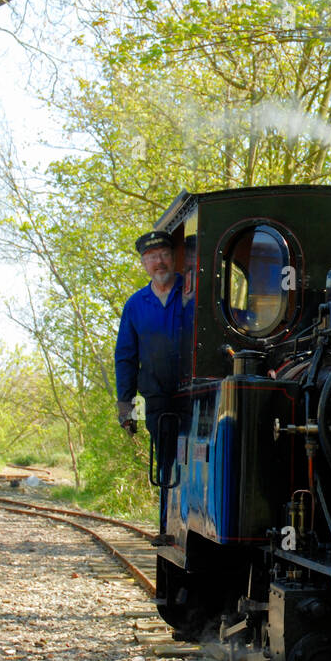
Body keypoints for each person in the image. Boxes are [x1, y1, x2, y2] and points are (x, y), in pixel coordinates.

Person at [115, 230, 193, 544]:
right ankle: (167, 527)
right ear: (144, 263)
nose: (158, 261)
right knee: (166, 460)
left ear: (173, 258)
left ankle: (193, 526)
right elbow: (126, 358)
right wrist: (126, 408)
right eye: (151, 257)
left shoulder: (190, 294)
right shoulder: (135, 305)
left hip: (195, 393)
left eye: (163, 254)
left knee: (194, 459)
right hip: (157, 396)